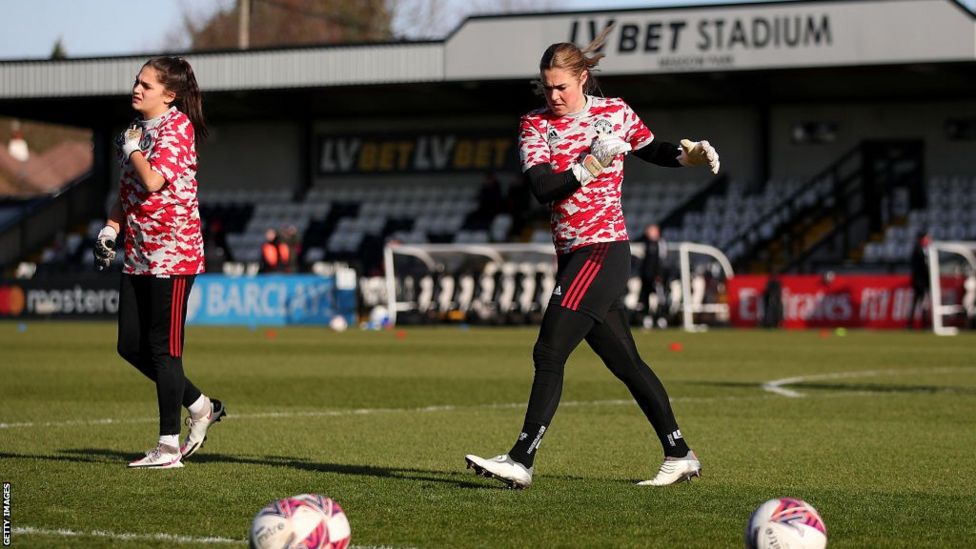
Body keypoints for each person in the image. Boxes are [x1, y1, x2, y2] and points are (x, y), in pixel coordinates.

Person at [465, 28, 720, 488]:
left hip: (602, 249)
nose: (554, 95)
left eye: (562, 85)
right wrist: (588, 167)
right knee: (627, 364)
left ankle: (521, 459)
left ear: (583, 78)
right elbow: (543, 187)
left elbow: (652, 149)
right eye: (547, 86)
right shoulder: (534, 124)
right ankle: (679, 452)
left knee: (549, 350)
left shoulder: (615, 112)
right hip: (572, 255)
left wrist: (687, 157)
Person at [93, 57, 226, 469]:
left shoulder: (177, 128)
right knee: (129, 346)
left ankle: (169, 447)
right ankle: (201, 405)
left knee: (164, 350)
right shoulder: (130, 133)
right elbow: (129, 192)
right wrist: (111, 229)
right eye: (137, 81)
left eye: (147, 85)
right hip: (138, 252)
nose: (137, 88)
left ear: (169, 95)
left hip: (174, 251)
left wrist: (134, 151)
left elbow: (153, 180)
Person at [637, 224, 669, 327]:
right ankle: (647, 318)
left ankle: (661, 318)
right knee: (645, 297)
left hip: (657, 277)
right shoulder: (646, 243)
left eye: (652, 230)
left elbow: (661, 261)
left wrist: (659, 275)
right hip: (646, 276)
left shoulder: (660, 244)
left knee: (660, 298)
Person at [907, 230, 931, 330]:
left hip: (922, 282)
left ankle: (915, 324)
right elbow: (919, 268)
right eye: (927, 238)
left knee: (920, 302)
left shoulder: (925, 249)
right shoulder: (918, 250)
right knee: (921, 302)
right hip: (920, 282)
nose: (929, 240)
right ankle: (920, 324)